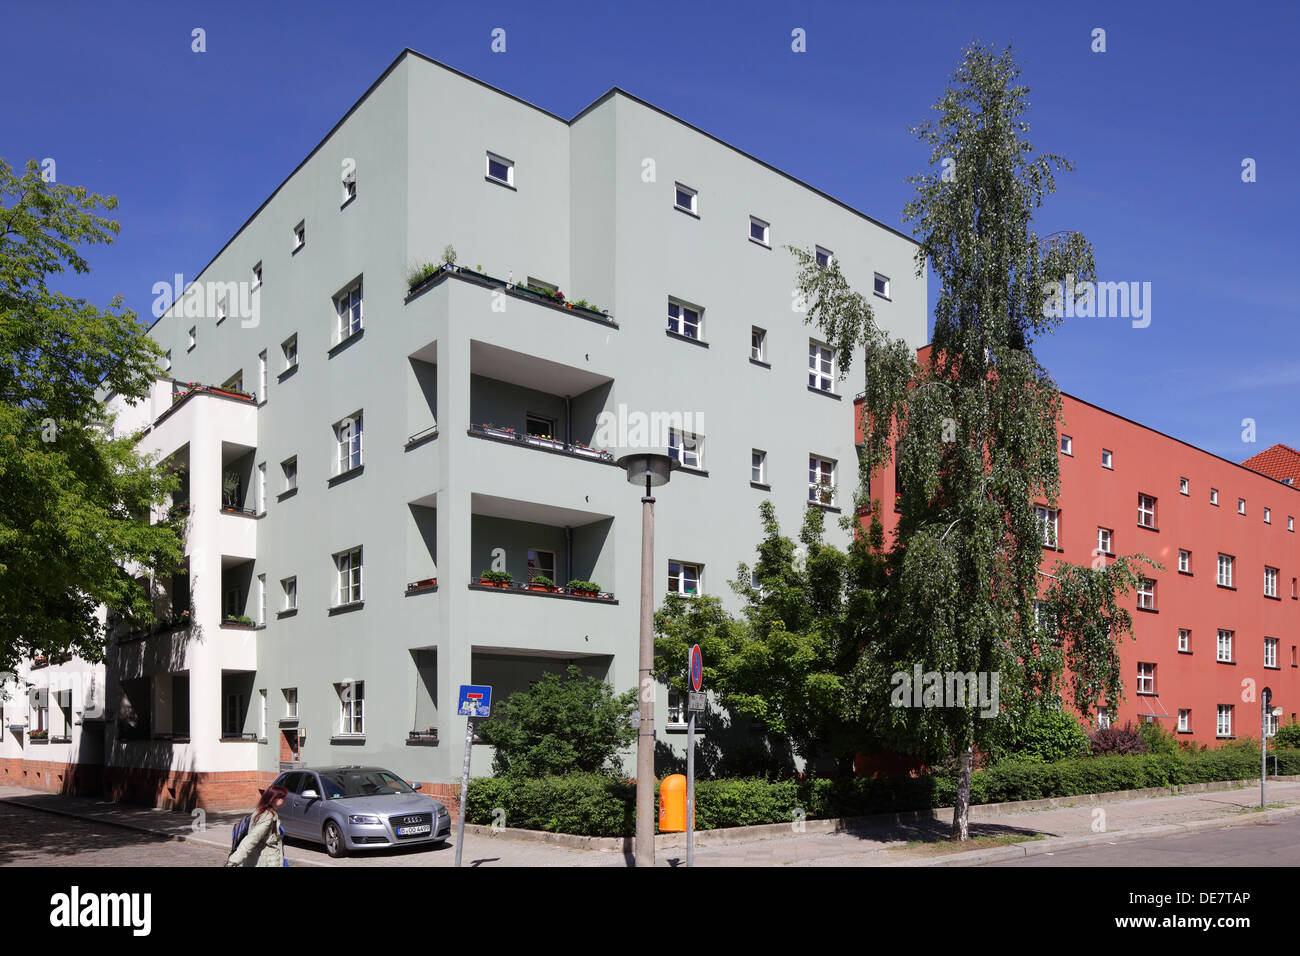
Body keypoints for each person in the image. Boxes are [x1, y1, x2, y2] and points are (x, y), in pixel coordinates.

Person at [225, 784, 289, 867]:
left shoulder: (262, 812)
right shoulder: (267, 817)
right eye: (282, 797)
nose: (285, 800)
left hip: (267, 860)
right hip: (266, 863)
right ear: (273, 799)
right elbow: (252, 839)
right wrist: (233, 861)